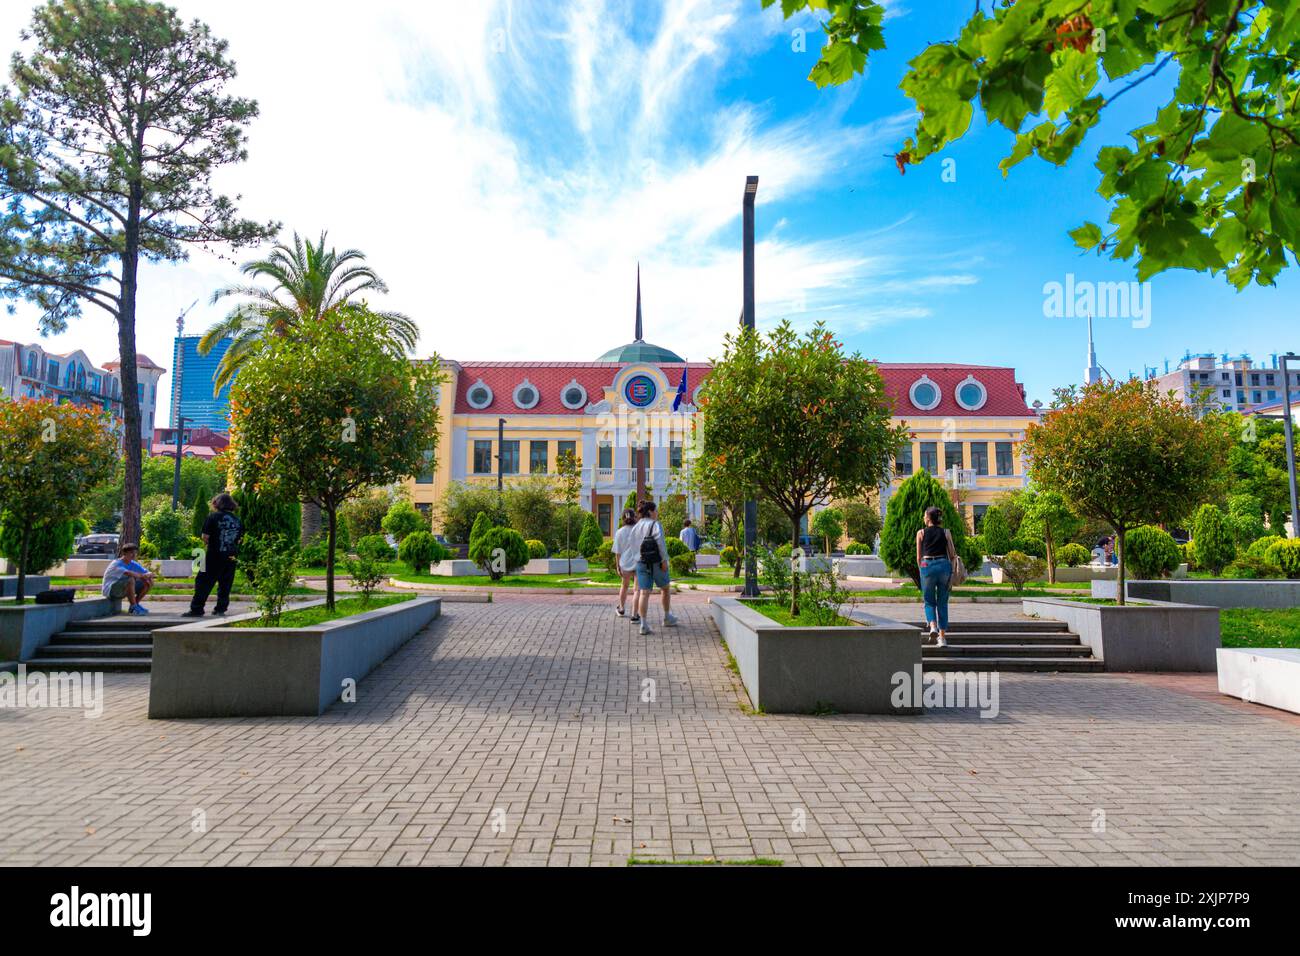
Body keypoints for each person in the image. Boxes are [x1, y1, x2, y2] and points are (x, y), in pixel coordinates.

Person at [184, 492, 244, 617]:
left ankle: (197, 608)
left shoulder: (213, 517)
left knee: (203, 581)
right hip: (231, 556)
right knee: (225, 583)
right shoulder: (237, 520)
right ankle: (220, 609)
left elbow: (205, 537)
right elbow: (239, 540)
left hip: (214, 555)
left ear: (217, 504)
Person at [628, 500, 677, 635]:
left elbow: (632, 547)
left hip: (641, 562)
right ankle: (667, 617)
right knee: (665, 588)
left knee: (644, 593)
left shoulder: (635, 527)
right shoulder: (655, 524)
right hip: (657, 562)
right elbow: (661, 543)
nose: (657, 513)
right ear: (650, 512)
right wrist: (664, 560)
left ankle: (643, 624)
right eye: (655, 510)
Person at [915, 506, 956, 646]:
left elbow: (918, 557)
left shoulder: (920, 533)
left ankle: (932, 626)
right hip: (944, 565)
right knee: (942, 602)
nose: (923, 517)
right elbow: (952, 554)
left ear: (928, 517)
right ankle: (942, 638)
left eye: (924, 515)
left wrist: (922, 570)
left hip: (927, 566)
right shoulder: (946, 532)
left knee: (929, 601)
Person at [101, 543, 154, 615]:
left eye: (135, 553)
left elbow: (149, 573)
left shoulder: (133, 563)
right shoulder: (116, 564)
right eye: (131, 553)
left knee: (148, 581)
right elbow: (129, 573)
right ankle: (133, 607)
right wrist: (143, 575)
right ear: (124, 553)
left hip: (123, 589)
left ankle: (135, 606)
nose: (134, 555)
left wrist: (148, 575)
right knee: (130, 579)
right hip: (111, 591)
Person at [611, 508, 639, 618]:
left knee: (624, 586)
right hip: (638, 563)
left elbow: (617, 552)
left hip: (625, 563)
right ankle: (635, 614)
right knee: (637, 590)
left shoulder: (620, 532)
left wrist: (617, 566)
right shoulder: (639, 530)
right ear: (634, 517)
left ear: (623, 518)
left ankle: (621, 608)